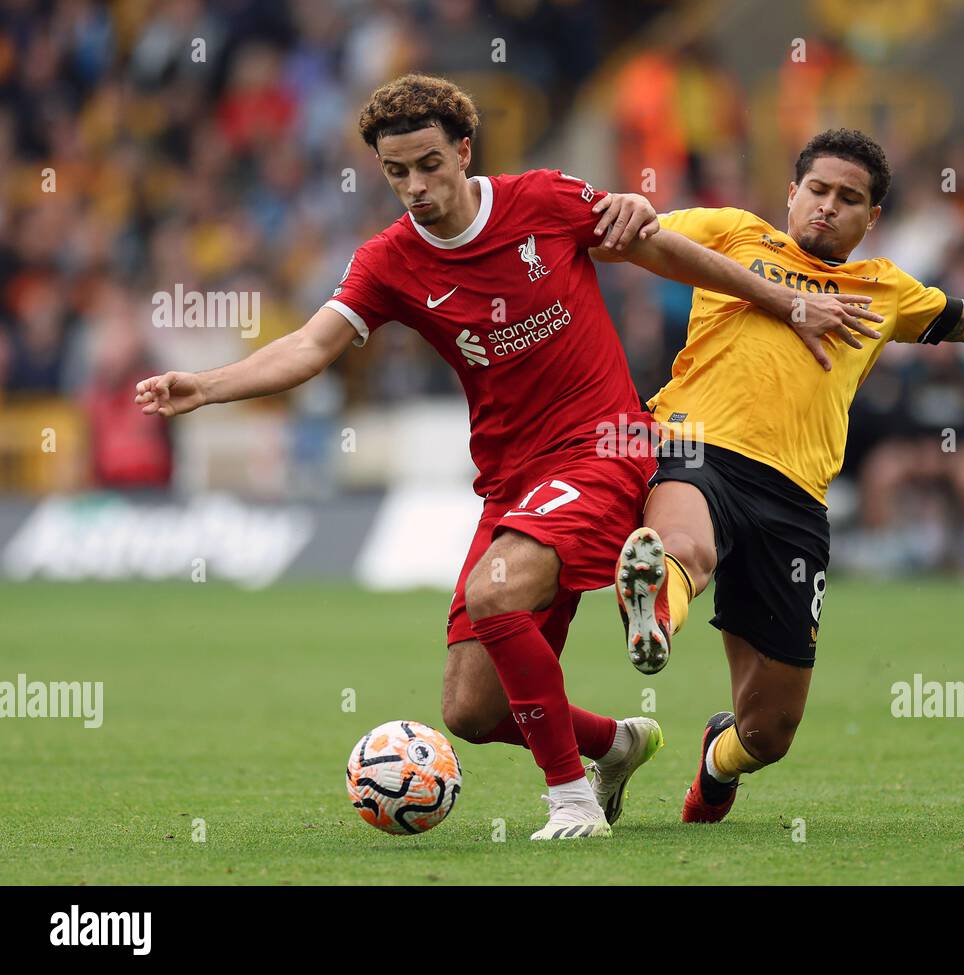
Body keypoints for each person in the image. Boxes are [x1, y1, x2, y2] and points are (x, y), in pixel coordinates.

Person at [135, 77, 882, 840]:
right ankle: (616, 743)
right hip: (513, 483)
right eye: (398, 173)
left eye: (430, 164)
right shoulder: (390, 260)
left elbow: (668, 254)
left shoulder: (543, 200)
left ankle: (572, 800)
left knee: (495, 595)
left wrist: (786, 301)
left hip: (604, 448)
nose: (416, 186)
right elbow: (311, 345)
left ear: (464, 151)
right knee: (472, 709)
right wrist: (209, 385)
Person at [612, 127, 964, 824]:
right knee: (685, 548)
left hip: (795, 500)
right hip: (695, 448)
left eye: (849, 198)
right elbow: (638, 232)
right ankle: (655, 607)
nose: (828, 206)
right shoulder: (734, 234)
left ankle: (718, 759)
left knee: (769, 732)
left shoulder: (884, 290)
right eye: (817, 190)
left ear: (874, 218)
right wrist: (623, 204)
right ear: (791, 192)